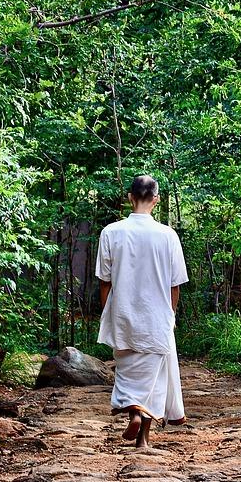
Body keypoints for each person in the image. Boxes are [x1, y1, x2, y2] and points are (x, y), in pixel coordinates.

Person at [96, 174, 189, 448]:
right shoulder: (168, 235)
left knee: (127, 372)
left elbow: (105, 281)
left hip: (123, 314)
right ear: (156, 200)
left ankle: (133, 412)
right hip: (156, 317)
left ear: (130, 198)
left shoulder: (111, 232)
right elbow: (175, 285)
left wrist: (108, 313)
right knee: (154, 380)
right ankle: (143, 440)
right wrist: (171, 314)